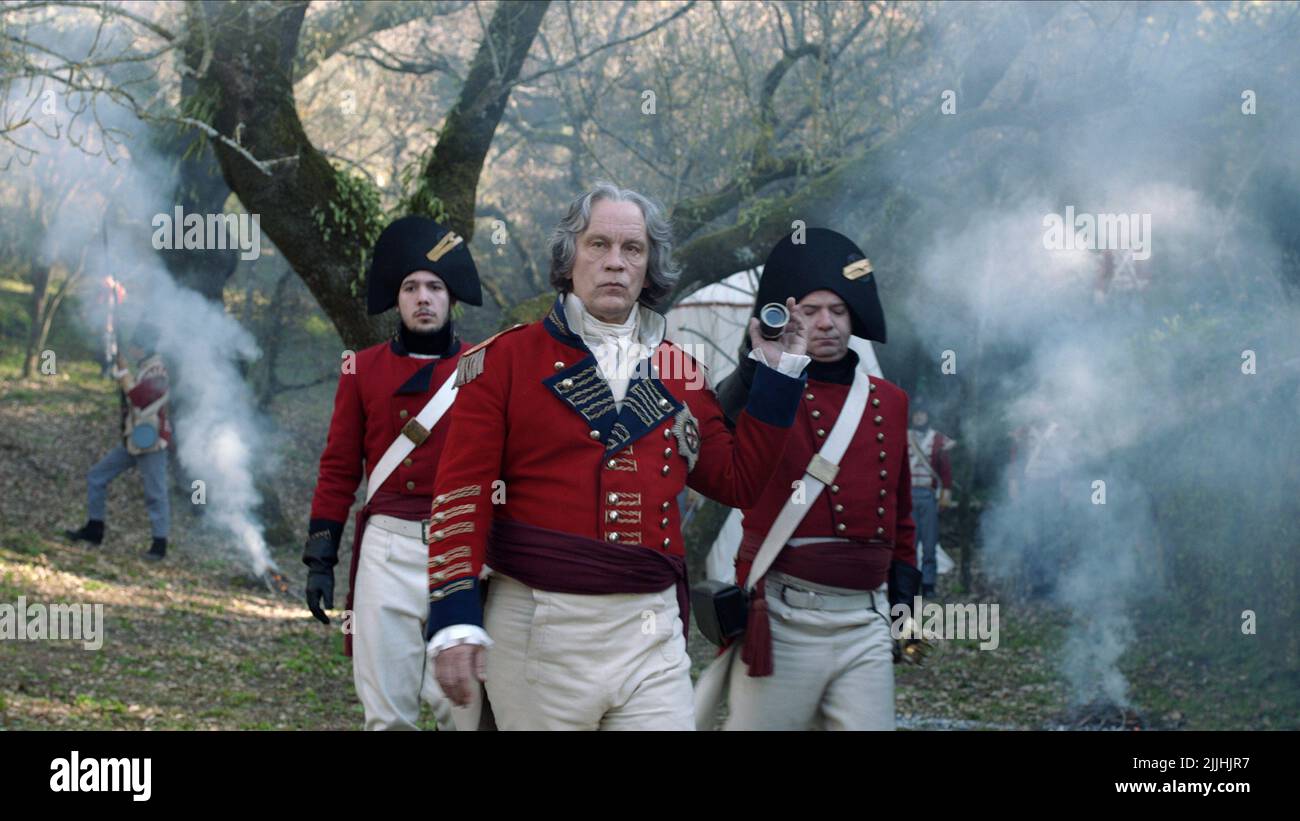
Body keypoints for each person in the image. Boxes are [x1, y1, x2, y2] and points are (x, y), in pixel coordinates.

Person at [424, 182, 810, 730]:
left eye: (632, 249)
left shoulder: (679, 369)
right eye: (597, 244)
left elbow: (738, 481)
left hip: (651, 627)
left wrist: (776, 374)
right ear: (568, 259)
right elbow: (460, 498)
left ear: (649, 269)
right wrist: (454, 615)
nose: (615, 262)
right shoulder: (506, 360)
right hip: (539, 622)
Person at [704, 228, 920, 731]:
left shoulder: (890, 400)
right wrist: (761, 366)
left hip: (866, 616)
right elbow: (721, 422)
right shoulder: (770, 386)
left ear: (854, 318)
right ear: (791, 316)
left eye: (838, 311)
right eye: (811, 310)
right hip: (782, 617)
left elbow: (901, 512)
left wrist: (906, 600)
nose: (826, 322)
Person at [302, 216, 482, 730]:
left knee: (464, 711)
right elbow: (338, 468)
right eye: (410, 287)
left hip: (461, 547)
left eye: (434, 286)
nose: (422, 297)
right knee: (387, 715)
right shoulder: (362, 369)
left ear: (451, 299)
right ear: (397, 299)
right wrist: (321, 556)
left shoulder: (485, 368)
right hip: (385, 548)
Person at [65, 323, 172, 561]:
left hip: (151, 441)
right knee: (97, 476)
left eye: (134, 346)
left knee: (156, 493)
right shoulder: (146, 368)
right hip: (135, 439)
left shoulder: (157, 371)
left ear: (142, 348)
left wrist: (123, 371)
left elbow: (139, 399)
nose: (131, 350)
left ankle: (159, 544)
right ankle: (94, 529)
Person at [907, 400, 956, 596]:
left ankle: (928, 584)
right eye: (916, 414)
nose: (919, 418)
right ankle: (909, 583)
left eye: (922, 414)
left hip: (928, 495)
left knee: (929, 543)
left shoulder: (938, 439)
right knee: (909, 543)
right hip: (908, 496)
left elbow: (945, 471)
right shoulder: (904, 437)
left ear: (927, 417)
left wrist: (945, 496)